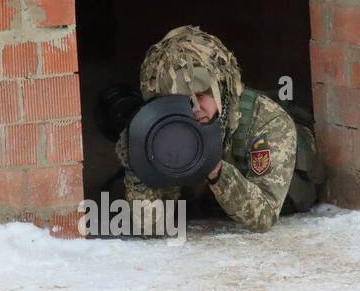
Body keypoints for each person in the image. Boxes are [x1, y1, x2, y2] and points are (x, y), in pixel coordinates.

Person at [114, 25, 299, 232]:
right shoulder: (163, 127)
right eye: (177, 100)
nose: (192, 109)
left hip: (285, 195)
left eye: (200, 95)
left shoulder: (268, 122)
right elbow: (151, 228)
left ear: (220, 88)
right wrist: (140, 168)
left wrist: (216, 171)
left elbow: (263, 218)